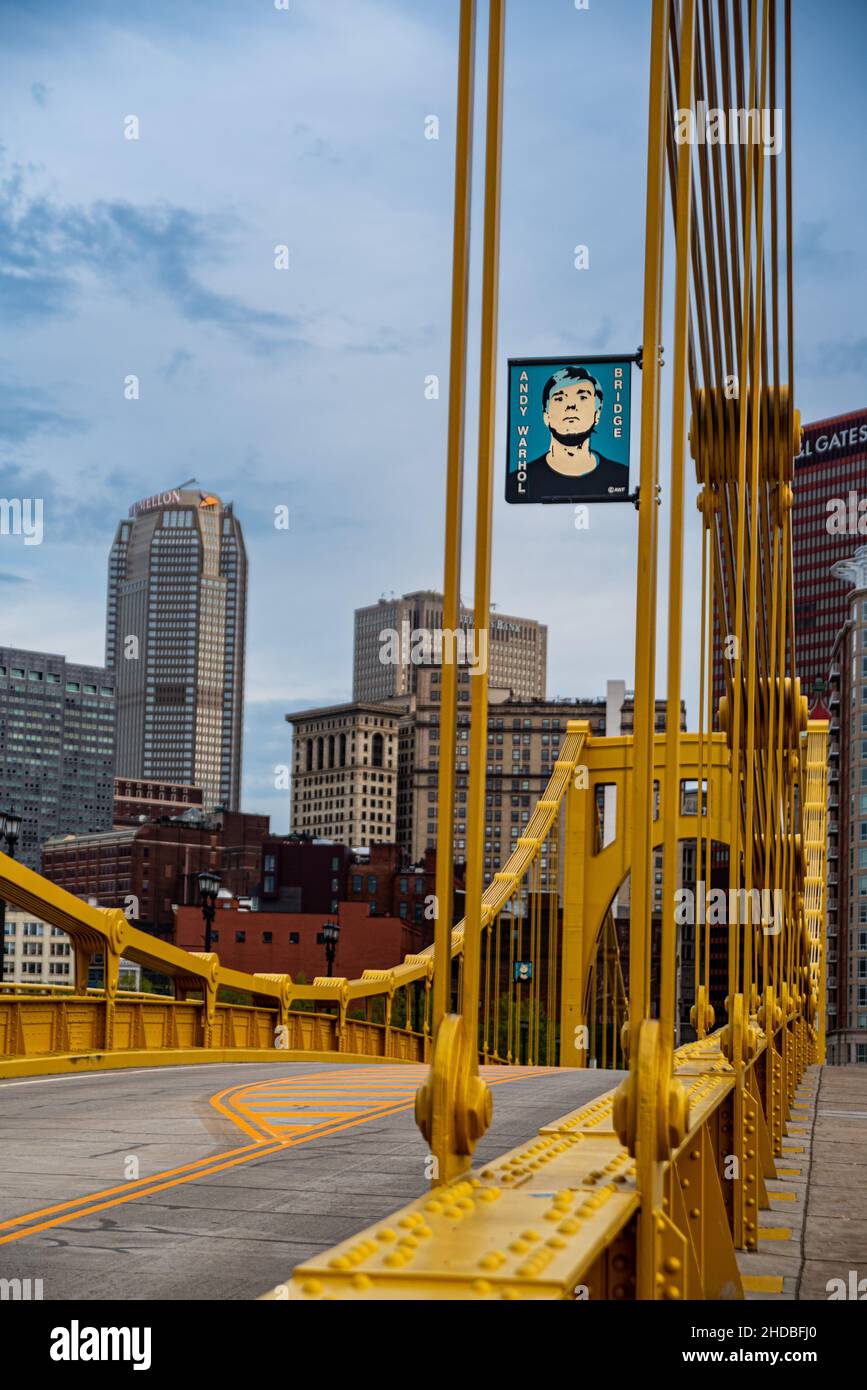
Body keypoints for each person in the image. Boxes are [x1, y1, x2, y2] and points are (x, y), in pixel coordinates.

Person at [509, 365, 628, 501]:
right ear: (546, 415)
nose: (571, 405)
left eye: (582, 397)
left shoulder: (622, 477)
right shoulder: (517, 483)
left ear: (597, 414)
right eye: (560, 398)